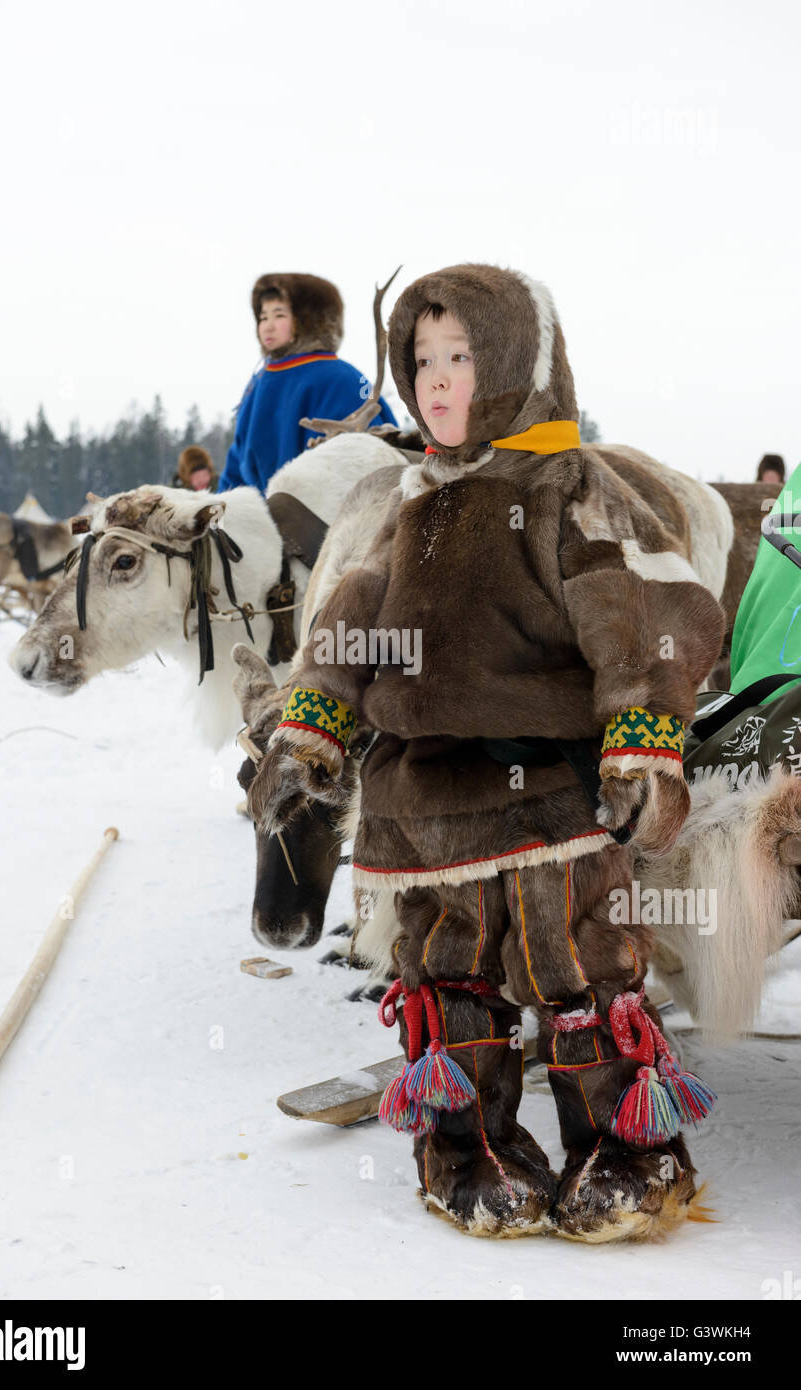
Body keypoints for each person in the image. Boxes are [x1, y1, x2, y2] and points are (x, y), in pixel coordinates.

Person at [248, 264, 725, 1243]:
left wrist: (643, 732)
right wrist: (313, 726)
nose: (435, 379)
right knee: (450, 974)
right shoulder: (406, 502)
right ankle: (469, 1152)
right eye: (420, 359)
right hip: (427, 797)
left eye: (460, 357)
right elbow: (348, 627)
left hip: (555, 796)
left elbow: (648, 613)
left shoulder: (573, 490)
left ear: (520, 364)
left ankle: (629, 1153)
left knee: (584, 966)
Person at [217, 273, 397, 493]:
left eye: (279, 315)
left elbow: (368, 456)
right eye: (263, 318)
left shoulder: (338, 378)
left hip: (320, 515)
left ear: (308, 320)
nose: (268, 326)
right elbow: (238, 459)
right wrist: (222, 511)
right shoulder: (259, 381)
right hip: (260, 515)